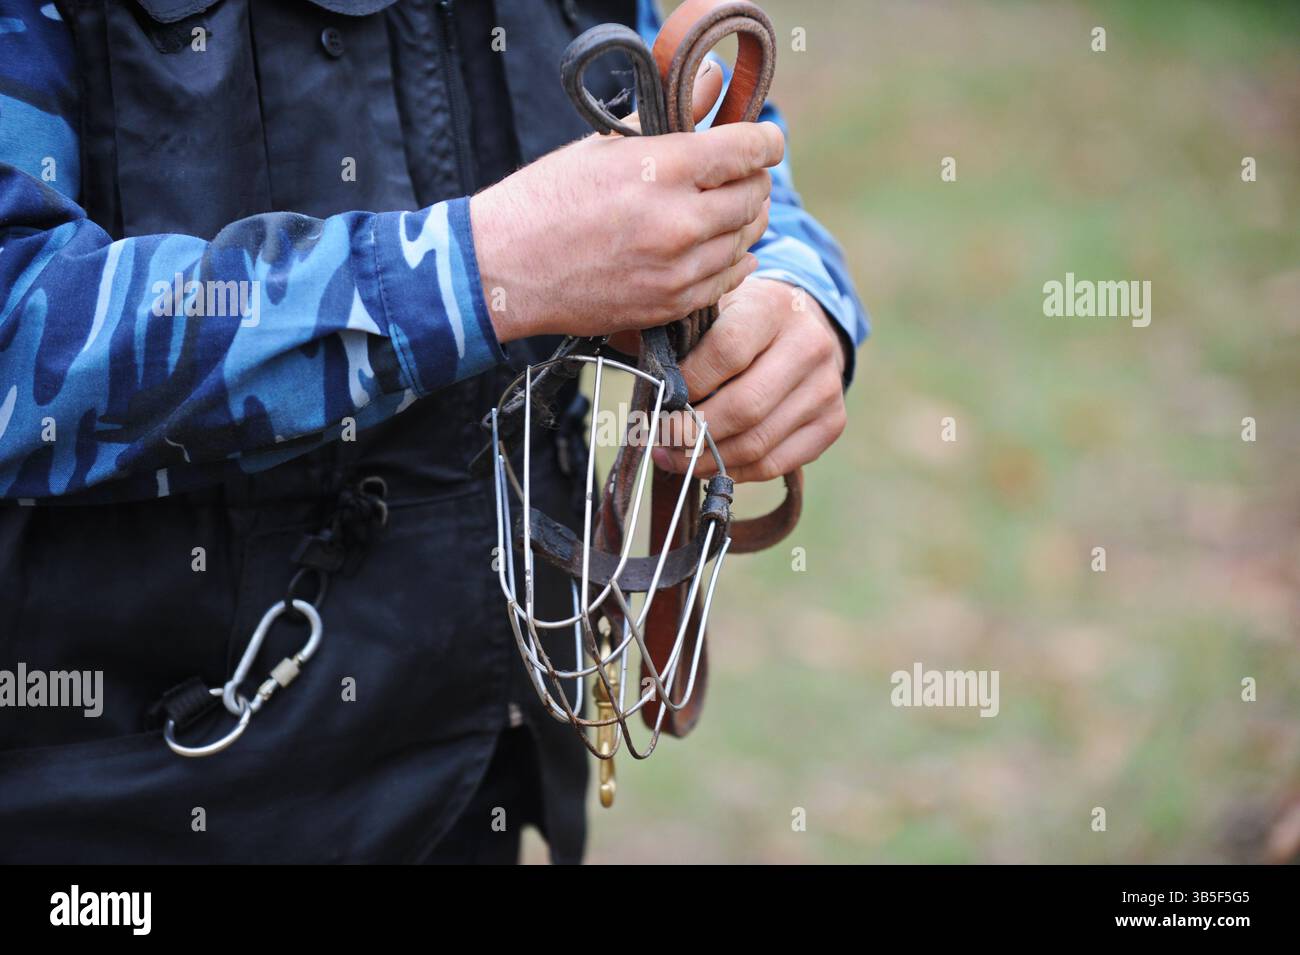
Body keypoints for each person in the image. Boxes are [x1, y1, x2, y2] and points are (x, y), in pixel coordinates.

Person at [0, 0, 867, 863]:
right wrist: (473, 272)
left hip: (491, 754)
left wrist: (793, 284)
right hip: (136, 800)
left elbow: (700, 106)